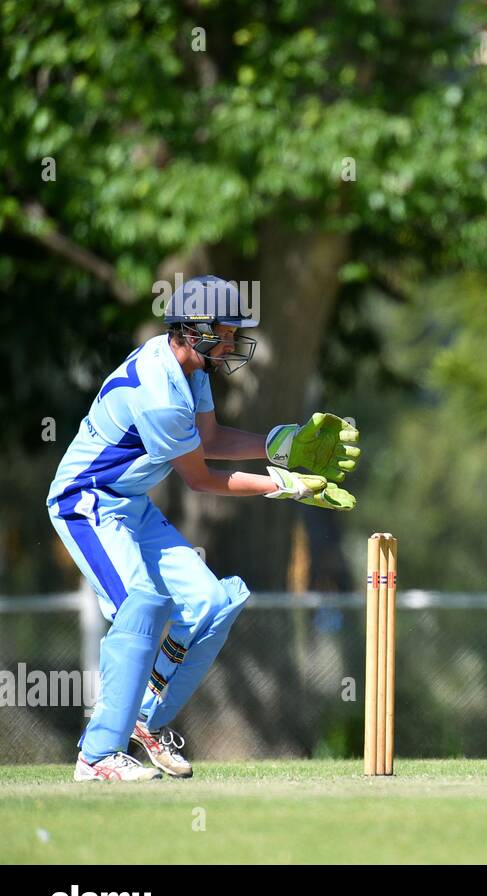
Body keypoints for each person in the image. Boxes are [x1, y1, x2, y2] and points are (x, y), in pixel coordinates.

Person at [47, 275, 361, 781]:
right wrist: (283, 485)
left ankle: (142, 720)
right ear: (195, 331)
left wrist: (283, 444)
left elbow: (210, 437)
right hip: (86, 504)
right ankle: (98, 755)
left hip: (130, 504)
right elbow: (200, 478)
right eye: (227, 330)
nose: (235, 341)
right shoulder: (161, 394)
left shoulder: (188, 367)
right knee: (143, 603)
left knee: (213, 603)